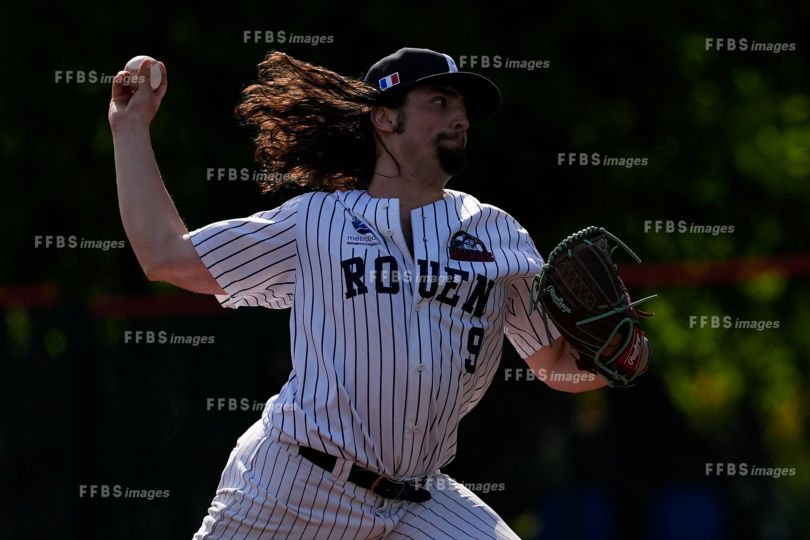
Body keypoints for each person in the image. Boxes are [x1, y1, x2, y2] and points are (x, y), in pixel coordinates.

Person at [109, 47, 633, 539]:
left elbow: (554, 366)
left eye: (464, 107)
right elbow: (165, 256)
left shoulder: (498, 233)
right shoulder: (316, 221)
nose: (461, 117)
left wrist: (621, 357)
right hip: (295, 484)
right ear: (385, 116)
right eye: (440, 100)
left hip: (417, 500)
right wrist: (129, 129)